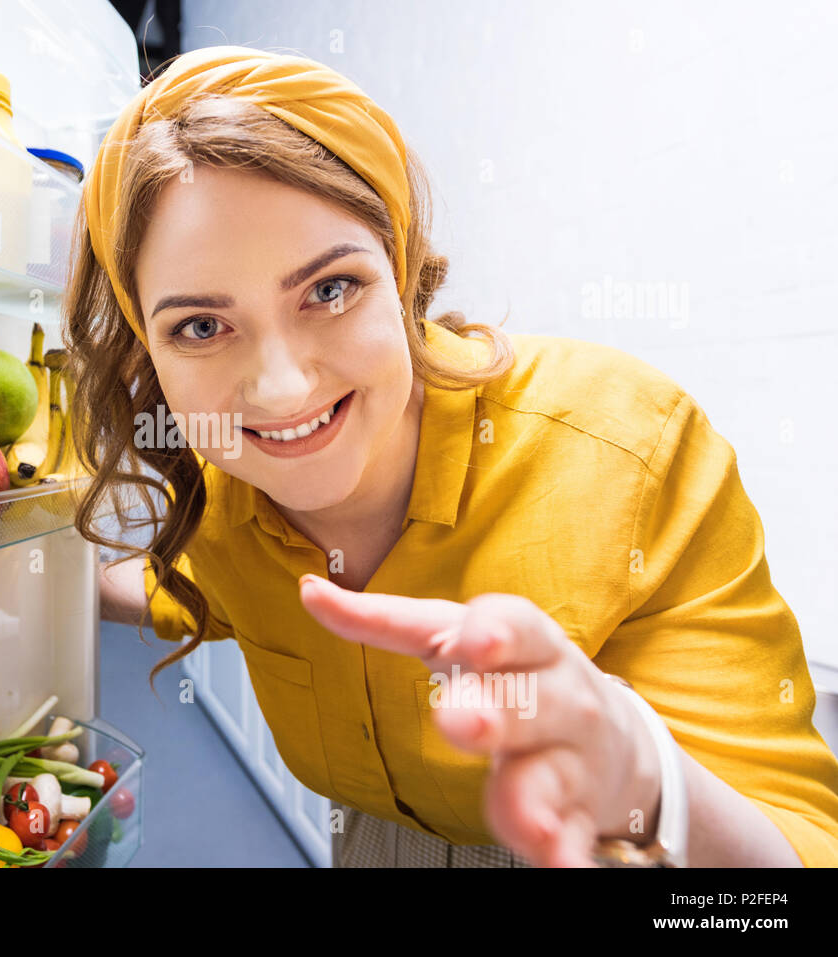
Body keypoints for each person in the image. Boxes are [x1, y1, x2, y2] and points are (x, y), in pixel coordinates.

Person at [65, 45, 838, 867]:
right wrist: (16, 564)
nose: (283, 391)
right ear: (150, 351)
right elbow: (202, 592)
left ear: (400, 267)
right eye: (201, 327)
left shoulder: (630, 450)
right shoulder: (224, 495)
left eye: (330, 289)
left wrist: (651, 786)